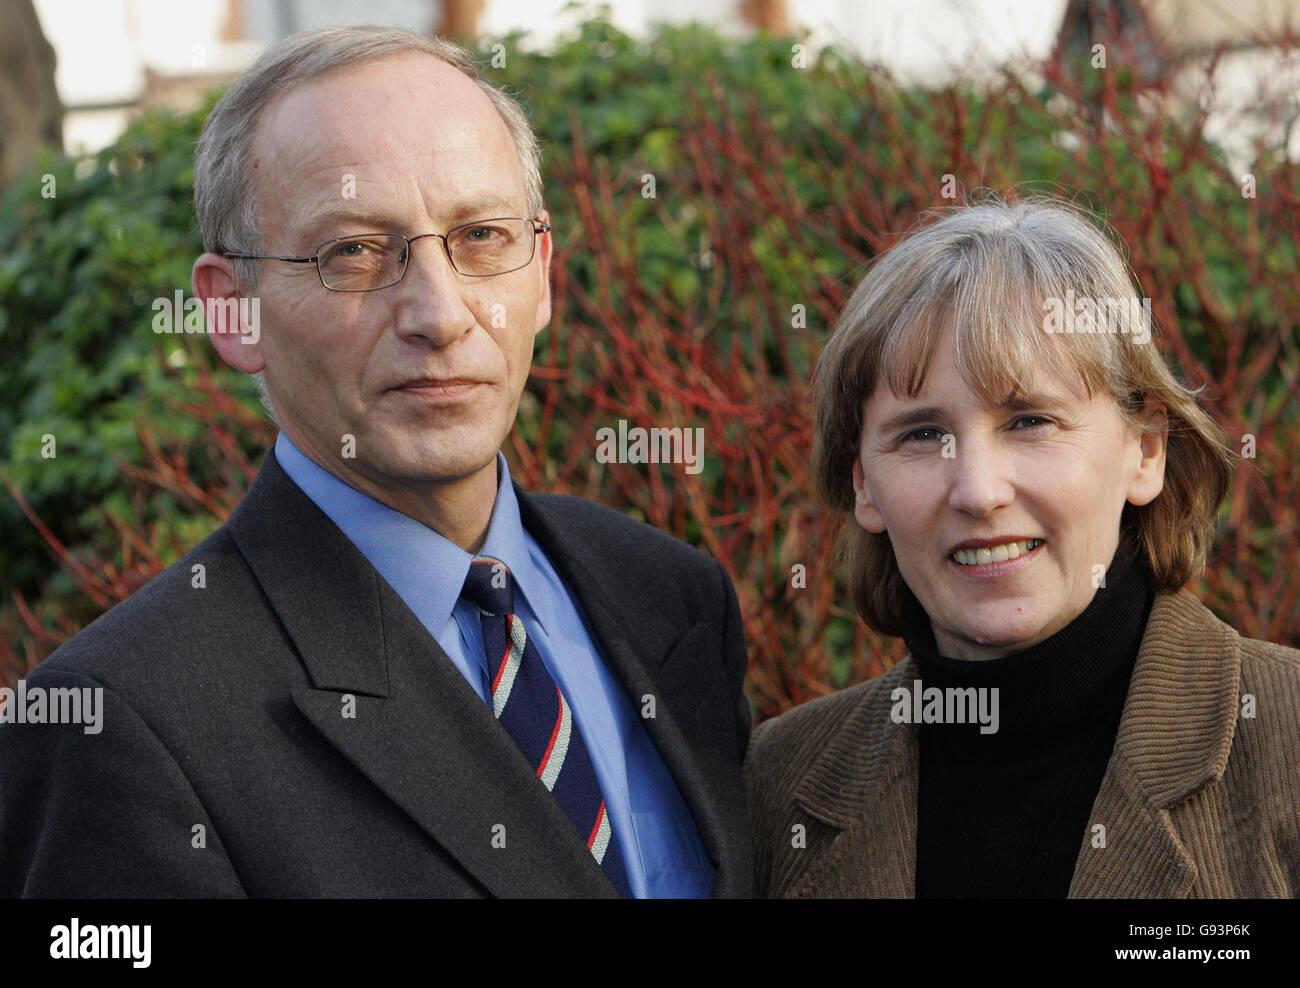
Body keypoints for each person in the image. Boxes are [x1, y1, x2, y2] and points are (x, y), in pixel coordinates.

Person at [0, 26, 752, 898]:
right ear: (234, 310)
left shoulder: (671, 599)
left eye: (479, 237)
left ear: (542, 274)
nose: (440, 313)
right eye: (352, 252)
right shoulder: (125, 725)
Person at [744, 195, 1300, 898]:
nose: (978, 491)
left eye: (1030, 420)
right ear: (863, 486)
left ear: (1146, 451)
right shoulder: (778, 783)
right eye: (921, 434)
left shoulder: (1287, 739)